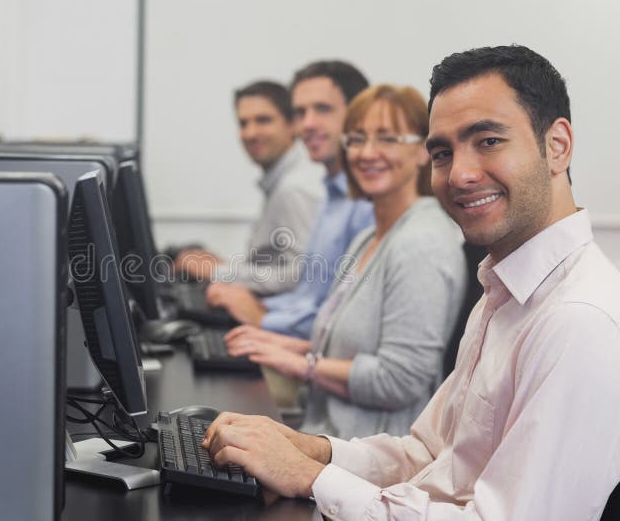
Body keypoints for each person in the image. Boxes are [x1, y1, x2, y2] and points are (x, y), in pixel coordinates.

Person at [202, 45, 620, 519]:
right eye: (443, 152)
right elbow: (426, 454)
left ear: (557, 145)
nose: (459, 173)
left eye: (488, 141)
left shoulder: (577, 321)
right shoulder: (502, 292)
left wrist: (311, 479)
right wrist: (314, 451)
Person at [223, 84, 467, 440]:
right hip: (327, 434)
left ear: (421, 151)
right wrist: (290, 347)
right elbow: (354, 347)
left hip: (372, 456)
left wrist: (303, 365)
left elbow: (399, 381)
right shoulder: (370, 237)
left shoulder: (422, 243)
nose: (367, 152)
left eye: (387, 139)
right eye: (356, 139)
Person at [206, 61, 374, 340]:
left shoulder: (363, 204)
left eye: (322, 109)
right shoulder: (331, 194)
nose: (307, 124)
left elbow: (347, 322)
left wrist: (264, 316)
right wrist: (261, 308)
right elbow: (310, 299)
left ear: (359, 114)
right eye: (300, 112)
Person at [174, 81, 324, 296]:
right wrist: (229, 268)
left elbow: (299, 275)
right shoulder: (282, 180)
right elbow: (277, 263)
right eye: (243, 123)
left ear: (293, 124)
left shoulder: (294, 188)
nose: (250, 133)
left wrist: (219, 272)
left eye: (263, 120)